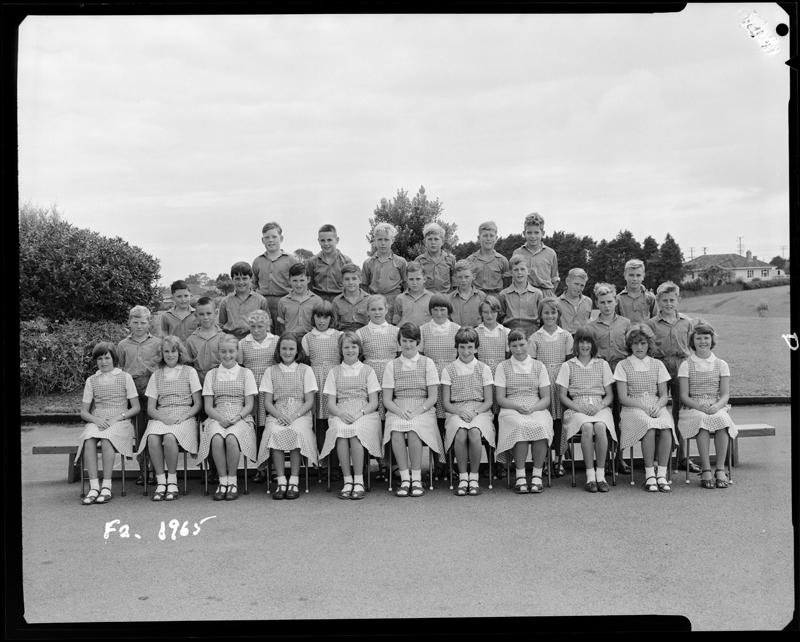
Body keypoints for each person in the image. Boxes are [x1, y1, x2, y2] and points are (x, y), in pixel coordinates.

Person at [382, 322, 443, 497]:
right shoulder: (391, 365)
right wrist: (400, 411)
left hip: (422, 408)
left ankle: (416, 478)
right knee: (396, 431)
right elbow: (387, 399)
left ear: (418, 342)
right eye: (404, 341)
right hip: (398, 406)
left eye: (411, 341)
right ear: (399, 342)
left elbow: (432, 397)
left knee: (415, 429)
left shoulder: (427, 363)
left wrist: (416, 412)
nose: (408, 345)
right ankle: (404, 477)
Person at [613, 324, 677, 493]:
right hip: (633, 407)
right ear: (629, 346)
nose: (639, 347)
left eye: (642, 343)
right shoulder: (623, 365)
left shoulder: (657, 364)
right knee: (648, 427)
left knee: (666, 428)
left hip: (655, 405)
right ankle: (649, 474)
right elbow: (623, 397)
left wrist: (657, 406)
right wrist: (642, 406)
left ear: (648, 344)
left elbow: (664, 394)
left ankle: (661, 474)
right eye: (635, 344)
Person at [137, 335, 202, 501]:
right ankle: (161, 481)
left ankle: (172, 481)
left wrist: (184, 416)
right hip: (162, 415)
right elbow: (151, 408)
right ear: (161, 354)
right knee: (152, 438)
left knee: (170, 437)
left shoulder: (190, 372)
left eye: (174, 351)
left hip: (184, 415)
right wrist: (163, 418)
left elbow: (197, 404)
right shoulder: (157, 375)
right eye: (166, 351)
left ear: (180, 353)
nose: (170, 355)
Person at [77, 342, 141, 505]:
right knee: (89, 440)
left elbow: (136, 407)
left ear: (114, 359)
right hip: (98, 419)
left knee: (107, 441)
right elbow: (84, 411)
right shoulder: (92, 380)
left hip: (120, 420)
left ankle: (106, 486)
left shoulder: (124, 377)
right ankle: (93, 487)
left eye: (107, 358)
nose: (104, 362)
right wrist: (96, 420)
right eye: (100, 358)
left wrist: (117, 418)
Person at [320, 331, 382, 500]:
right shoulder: (334, 372)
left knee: (355, 433)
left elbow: (374, 402)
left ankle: (359, 480)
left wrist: (359, 413)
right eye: (346, 347)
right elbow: (331, 403)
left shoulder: (368, 370)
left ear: (359, 348)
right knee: (340, 433)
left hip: (364, 412)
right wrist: (340, 413)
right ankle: (347, 480)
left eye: (353, 346)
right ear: (341, 350)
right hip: (341, 411)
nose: (350, 350)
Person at [258, 332, 319, 500]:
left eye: (291, 349)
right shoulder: (271, 371)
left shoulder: (305, 370)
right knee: (274, 432)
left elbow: (309, 401)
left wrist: (293, 416)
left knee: (297, 432)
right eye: (284, 348)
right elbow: (268, 402)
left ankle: (294, 479)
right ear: (279, 350)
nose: (287, 352)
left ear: (297, 351)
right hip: (277, 414)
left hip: (300, 414)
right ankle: (281, 480)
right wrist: (280, 416)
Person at [646, 281, 699, 474]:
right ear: (658, 301)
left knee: (681, 412)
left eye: (672, 300)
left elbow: (693, 347)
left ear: (678, 300)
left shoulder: (687, 322)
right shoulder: (651, 323)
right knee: (658, 409)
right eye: (664, 300)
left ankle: (683, 456)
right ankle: (660, 457)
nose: (668, 304)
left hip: (681, 366)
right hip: (659, 366)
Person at [197, 334, 258, 501]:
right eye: (223, 351)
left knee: (231, 438)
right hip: (217, 415)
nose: (227, 355)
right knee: (216, 438)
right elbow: (208, 406)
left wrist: (237, 417)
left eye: (231, 351)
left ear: (237, 352)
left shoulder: (246, 373)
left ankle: (233, 481)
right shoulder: (212, 374)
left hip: (240, 417)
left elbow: (249, 405)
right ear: (219, 352)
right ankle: (222, 481)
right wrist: (220, 418)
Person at [556, 328, 617, 492]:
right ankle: (590, 476)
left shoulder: (602, 364)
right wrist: (579, 408)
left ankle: (601, 473)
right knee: (588, 427)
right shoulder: (568, 365)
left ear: (593, 344)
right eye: (581, 342)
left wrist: (600, 406)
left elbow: (609, 395)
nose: (585, 345)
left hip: (599, 405)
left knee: (600, 427)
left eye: (588, 342)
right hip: (576, 406)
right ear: (576, 344)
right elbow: (563, 396)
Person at [677, 322, 737, 489]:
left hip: (715, 404)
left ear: (711, 340)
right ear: (692, 341)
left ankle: (719, 469)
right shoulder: (686, 365)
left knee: (722, 421)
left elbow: (725, 394)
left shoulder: (721, 364)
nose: (703, 341)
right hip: (692, 407)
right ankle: (705, 469)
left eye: (706, 338)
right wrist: (699, 406)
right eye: (698, 338)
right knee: (702, 421)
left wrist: (717, 406)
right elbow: (683, 396)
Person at [495, 329, 553, 494]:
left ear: (528, 344)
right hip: (511, 407)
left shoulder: (538, 366)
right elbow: (500, 398)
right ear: (509, 347)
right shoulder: (503, 366)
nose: (519, 349)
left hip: (536, 406)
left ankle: (536, 474)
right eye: (514, 345)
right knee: (519, 426)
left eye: (522, 344)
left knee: (540, 425)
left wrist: (533, 408)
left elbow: (546, 398)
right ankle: (520, 475)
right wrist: (517, 407)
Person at [441, 327, 495, 496]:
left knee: (474, 432)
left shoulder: (483, 368)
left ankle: (474, 476)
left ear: (476, 348)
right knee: (460, 433)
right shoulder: (448, 369)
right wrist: (459, 412)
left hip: (480, 410)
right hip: (456, 410)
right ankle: (463, 476)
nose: (466, 351)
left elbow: (489, 401)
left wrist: (476, 412)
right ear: (456, 347)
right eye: (462, 347)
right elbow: (445, 402)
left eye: (470, 347)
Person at [586, 282, 632, 475]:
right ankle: (602, 459)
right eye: (602, 302)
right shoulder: (591, 326)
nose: (606, 305)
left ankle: (619, 457)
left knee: (620, 415)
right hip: (601, 373)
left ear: (615, 301)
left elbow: (630, 348)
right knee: (604, 416)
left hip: (620, 371)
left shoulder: (625, 323)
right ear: (597, 303)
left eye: (610, 301)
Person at [527, 297, 573, 477]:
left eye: (553, 312)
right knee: (546, 421)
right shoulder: (535, 337)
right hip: (543, 382)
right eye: (546, 312)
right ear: (540, 315)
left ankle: (559, 459)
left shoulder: (565, 336)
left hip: (561, 381)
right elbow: (533, 364)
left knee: (561, 421)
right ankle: (544, 460)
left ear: (558, 314)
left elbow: (570, 363)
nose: (550, 316)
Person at [116, 304, 161, 486]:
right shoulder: (123, 345)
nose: (139, 326)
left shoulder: (157, 343)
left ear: (148, 323)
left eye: (143, 322)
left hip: (152, 392)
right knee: (139, 432)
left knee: (152, 433)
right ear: (129, 322)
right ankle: (143, 469)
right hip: (133, 393)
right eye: (135, 322)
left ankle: (156, 469)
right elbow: (120, 369)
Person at [237, 310, 278, 483]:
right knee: (256, 429)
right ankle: (260, 467)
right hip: (251, 388)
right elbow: (239, 366)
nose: (256, 330)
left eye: (260, 326)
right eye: (252, 326)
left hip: (272, 387)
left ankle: (275, 467)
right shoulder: (243, 343)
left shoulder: (276, 340)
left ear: (267, 325)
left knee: (272, 427)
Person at [301, 300, 343, 455]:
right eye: (318, 316)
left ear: (332, 318)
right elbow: (305, 362)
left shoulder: (339, 336)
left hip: (335, 380)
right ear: (313, 318)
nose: (322, 321)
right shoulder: (308, 338)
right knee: (320, 422)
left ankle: (336, 462)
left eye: (326, 317)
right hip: (316, 381)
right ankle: (323, 462)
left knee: (335, 421)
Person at [356, 294, 400, 419]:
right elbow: (358, 357)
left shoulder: (396, 331)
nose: (377, 312)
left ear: (386, 309)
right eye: (373, 309)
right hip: (370, 373)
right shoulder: (360, 332)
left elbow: (399, 355)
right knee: (372, 405)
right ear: (368, 311)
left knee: (391, 403)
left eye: (380, 309)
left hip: (391, 372)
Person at [252, 221, 300, 325]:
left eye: (274, 237)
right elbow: (254, 283)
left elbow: (298, 283)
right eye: (267, 237)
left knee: (284, 333)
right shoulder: (257, 261)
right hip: (263, 303)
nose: (270, 240)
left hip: (285, 302)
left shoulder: (291, 260)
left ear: (281, 238)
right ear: (262, 240)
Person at [362, 222, 407, 320]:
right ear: (374, 240)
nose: (383, 243)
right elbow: (364, 287)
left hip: (394, 303)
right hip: (374, 303)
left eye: (386, 240)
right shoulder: (368, 263)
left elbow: (406, 285)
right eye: (380, 239)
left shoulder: (401, 262)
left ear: (392, 240)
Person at [217, 261, 271, 340]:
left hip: (254, 339)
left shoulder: (261, 300)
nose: (241, 282)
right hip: (232, 340)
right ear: (232, 279)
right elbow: (221, 325)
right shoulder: (225, 302)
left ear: (251, 279)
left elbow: (267, 324)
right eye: (237, 279)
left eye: (244, 278)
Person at [511, 212, 559, 297]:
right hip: (524, 295)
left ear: (543, 233)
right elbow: (514, 277)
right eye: (529, 233)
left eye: (536, 232)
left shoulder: (551, 253)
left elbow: (555, 279)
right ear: (524, 233)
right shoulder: (517, 253)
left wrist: (549, 294)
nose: (533, 236)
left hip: (545, 295)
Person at [498, 255, 543, 338]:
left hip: (533, 334)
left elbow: (541, 317)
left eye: (522, 269)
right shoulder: (503, 294)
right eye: (516, 270)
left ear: (528, 271)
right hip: (511, 334)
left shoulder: (537, 294)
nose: (519, 272)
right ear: (511, 272)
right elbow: (500, 317)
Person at [306, 224, 353, 302]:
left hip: (340, 300)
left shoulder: (346, 261)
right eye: (322, 240)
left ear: (337, 240)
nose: (326, 244)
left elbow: (350, 284)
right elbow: (309, 285)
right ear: (318, 241)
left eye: (329, 240)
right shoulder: (312, 262)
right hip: (318, 300)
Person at [276, 262, 323, 339]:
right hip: (290, 340)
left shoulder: (317, 301)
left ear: (308, 279)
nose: (298, 284)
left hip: (311, 339)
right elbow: (281, 325)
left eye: (302, 280)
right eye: (295, 280)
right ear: (289, 280)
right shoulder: (283, 302)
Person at [465, 220, 511, 297]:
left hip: (497, 299)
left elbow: (507, 285)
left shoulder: (503, 260)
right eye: (485, 235)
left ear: (496, 238)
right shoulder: (470, 260)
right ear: (479, 238)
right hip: (476, 297)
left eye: (491, 236)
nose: (488, 239)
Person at [415, 221, 456, 294]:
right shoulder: (419, 260)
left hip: (445, 300)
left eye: (436, 239)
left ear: (442, 242)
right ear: (425, 242)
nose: (433, 242)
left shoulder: (450, 259)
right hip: (425, 300)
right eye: (430, 239)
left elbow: (455, 283)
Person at [616, 258, 658, 323]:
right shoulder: (618, 299)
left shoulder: (650, 297)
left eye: (638, 275)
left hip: (645, 332)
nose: (635, 279)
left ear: (643, 276)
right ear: (625, 275)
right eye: (631, 275)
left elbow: (656, 320)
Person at [391, 261, 433, 328]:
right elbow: (396, 323)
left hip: (426, 336)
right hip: (407, 336)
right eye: (411, 279)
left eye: (418, 279)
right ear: (406, 280)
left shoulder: (432, 298)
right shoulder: (400, 299)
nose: (414, 283)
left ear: (424, 279)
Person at [332, 263, 371, 332]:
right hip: (344, 337)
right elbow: (333, 326)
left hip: (365, 336)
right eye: (347, 279)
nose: (350, 282)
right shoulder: (337, 301)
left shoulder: (369, 300)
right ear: (342, 281)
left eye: (354, 278)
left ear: (360, 280)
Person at [449, 260, 486, 329]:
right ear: (455, 278)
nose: (463, 280)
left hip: (477, 335)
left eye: (467, 277)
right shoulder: (449, 299)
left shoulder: (482, 296)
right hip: (455, 335)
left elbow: (486, 318)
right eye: (460, 277)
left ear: (473, 276)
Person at [556, 268, 593, 334]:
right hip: (564, 340)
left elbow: (589, 321)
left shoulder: (588, 301)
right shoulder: (557, 303)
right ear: (567, 281)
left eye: (582, 285)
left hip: (583, 341)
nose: (579, 288)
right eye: (576, 284)